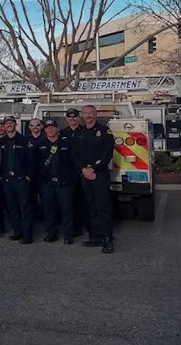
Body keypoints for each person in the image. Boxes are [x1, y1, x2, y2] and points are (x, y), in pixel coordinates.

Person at [70, 105, 115, 254]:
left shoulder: (104, 132)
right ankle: (94, 237)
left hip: (99, 174)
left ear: (95, 114)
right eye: (85, 113)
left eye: (91, 113)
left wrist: (93, 169)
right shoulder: (79, 133)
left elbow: (107, 154)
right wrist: (83, 169)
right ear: (81, 115)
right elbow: (74, 155)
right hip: (85, 174)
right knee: (90, 206)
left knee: (103, 207)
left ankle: (107, 239)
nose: (88, 116)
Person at [35, 118, 75, 244]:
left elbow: (74, 162)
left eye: (52, 127)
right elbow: (35, 164)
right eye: (47, 128)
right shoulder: (40, 144)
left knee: (67, 210)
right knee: (48, 210)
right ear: (44, 130)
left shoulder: (66, 142)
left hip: (64, 183)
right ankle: (51, 233)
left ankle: (68, 235)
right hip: (46, 184)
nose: (50, 130)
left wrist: (71, 179)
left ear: (57, 129)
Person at [0, 116, 35, 245]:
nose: (9, 125)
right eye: (6, 123)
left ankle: (27, 235)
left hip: (21, 180)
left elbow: (31, 161)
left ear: (15, 124)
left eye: (11, 123)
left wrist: (28, 176)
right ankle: (17, 231)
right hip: (7, 180)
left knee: (25, 208)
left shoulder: (24, 140)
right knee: (12, 208)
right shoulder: (1, 141)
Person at [62, 107, 88, 237]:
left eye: (74, 116)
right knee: (68, 202)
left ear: (79, 118)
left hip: (82, 171)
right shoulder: (62, 133)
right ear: (66, 119)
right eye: (69, 116)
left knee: (82, 201)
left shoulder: (85, 132)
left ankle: (81, 227)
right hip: (67, 172)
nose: (72, 119)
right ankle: (69, 227)